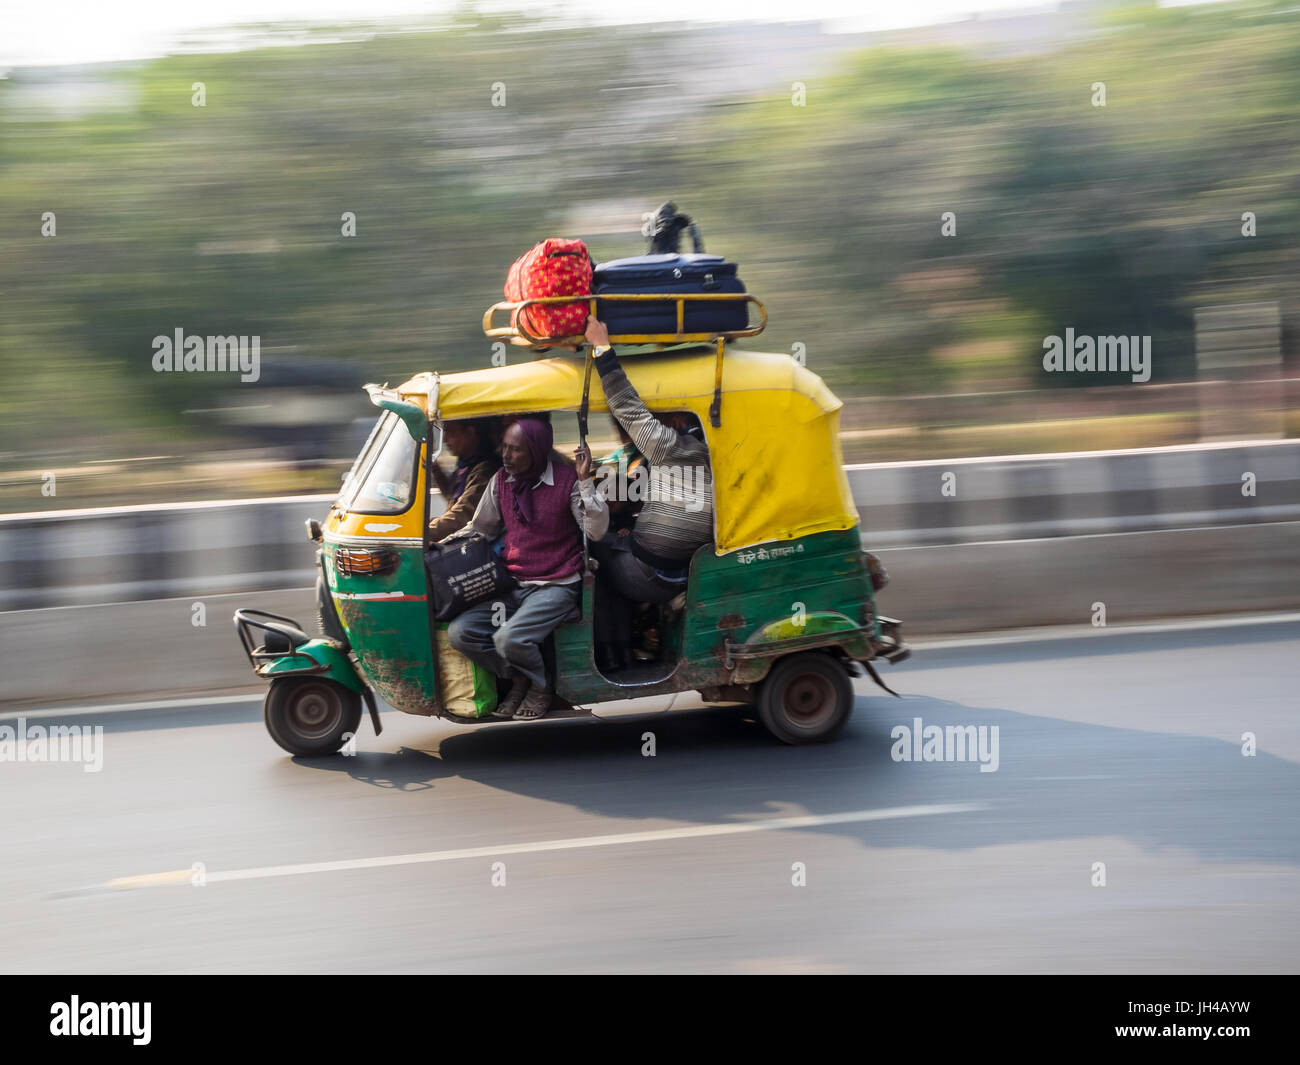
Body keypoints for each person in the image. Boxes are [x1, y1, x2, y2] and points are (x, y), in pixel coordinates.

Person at [446, 417, 608, 720]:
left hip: (556, 586)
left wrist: (585, 482)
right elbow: (480, 529)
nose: (505, 455)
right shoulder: (500, 481)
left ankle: (540, 686)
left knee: (510, 639)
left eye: (515, 450)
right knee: (461, 633)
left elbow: (595, 530)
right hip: (514, 585)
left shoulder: (566, 480)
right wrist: (440, 545)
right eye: (504, 447)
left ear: (537, 450)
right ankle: (519, 678)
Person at [583, 315, 714, 671]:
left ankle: (608, 657)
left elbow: (627, 407)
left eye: (661, 415)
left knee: (588, 550)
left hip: (652, 574)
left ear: (673, 420)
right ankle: (620, 650)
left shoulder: (670, 447)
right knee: (611, 542)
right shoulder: (718, 450)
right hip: (684, 568)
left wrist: (602, 348)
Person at [428, 418, 500, 542]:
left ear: (470, 433)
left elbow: (462, 516)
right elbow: (453, 497)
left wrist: (425, 532)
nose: (445, 440)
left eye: (451, 433)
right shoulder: (465, 466)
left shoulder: (484, 471)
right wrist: (436, 471)